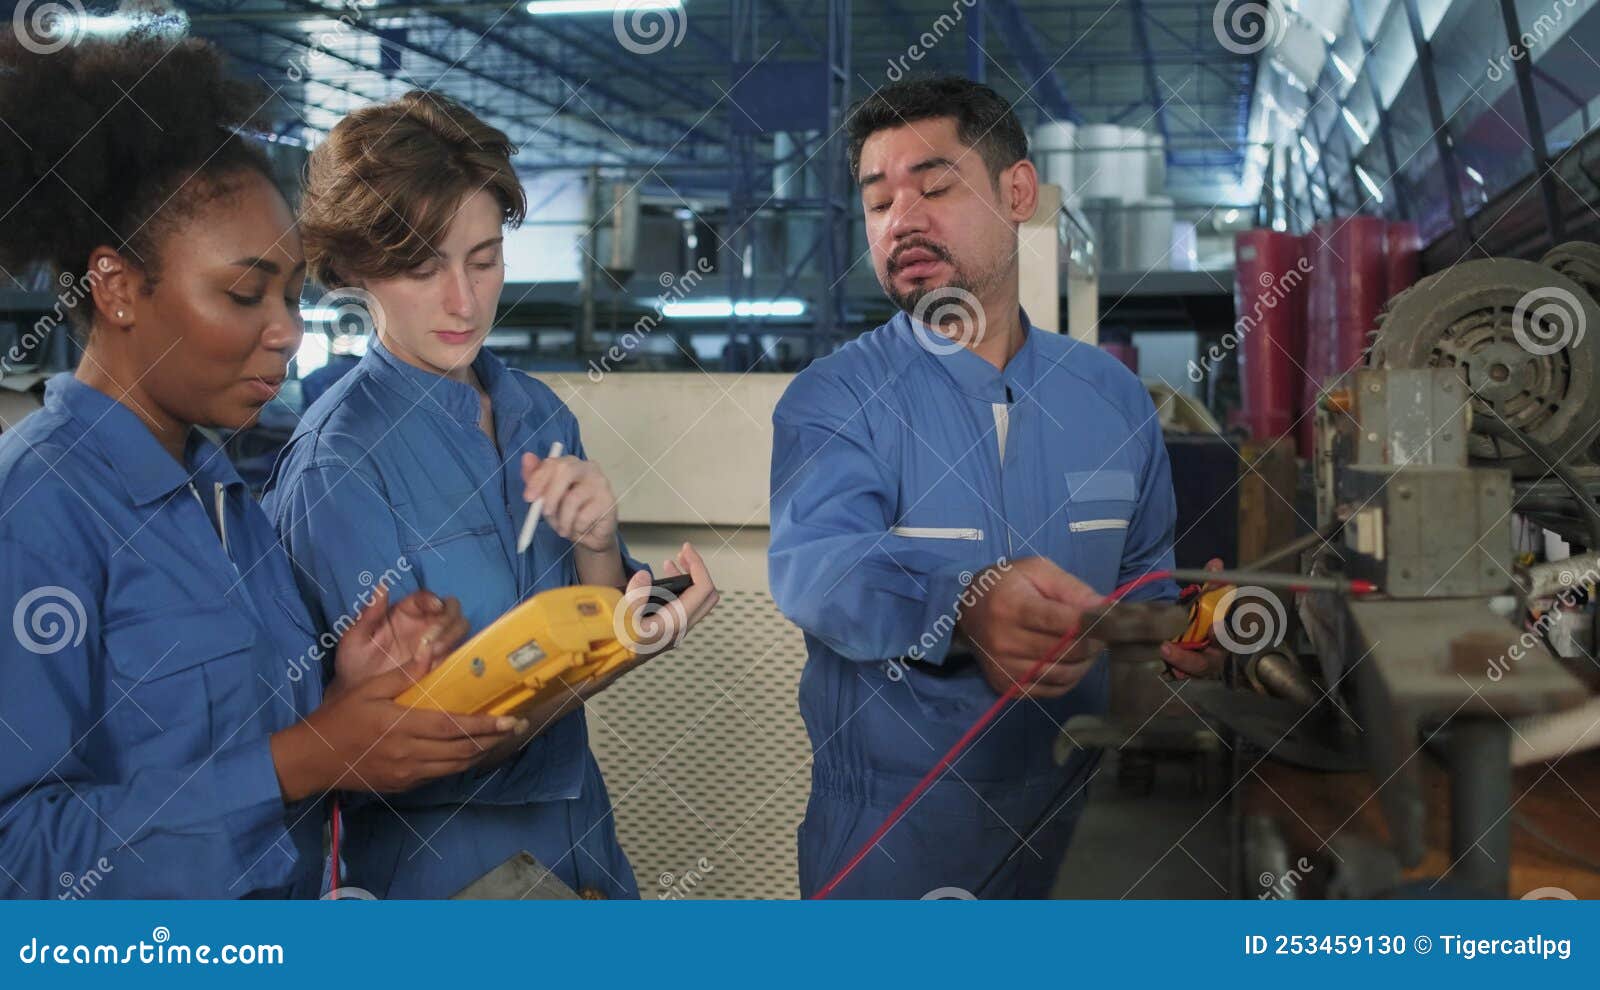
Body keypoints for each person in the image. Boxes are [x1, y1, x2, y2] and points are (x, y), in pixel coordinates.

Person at [0, 32, 514, 899]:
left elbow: (226, 743)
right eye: (244, 294)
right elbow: (19, 858)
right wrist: (304, 758)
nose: (287, 331)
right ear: (117, 289)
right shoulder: (37, 515)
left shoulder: (223, 499)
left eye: (292, 294)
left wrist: (343, 693)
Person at [768, 76, 1221, 899]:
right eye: (878, 202)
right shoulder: (835, 398)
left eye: (935, 187)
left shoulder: (1113, 399)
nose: (902, 220)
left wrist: (1178, 629)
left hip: (1088, 821)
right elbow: (821, 566)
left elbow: (1143, 577)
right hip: (898, 841)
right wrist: (965, 603)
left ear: (1018, 193)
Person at [263, 91, 719, 899]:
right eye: (423, 268)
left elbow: (592, 611)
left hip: (578, 830)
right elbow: (413, 743)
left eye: (483, 259)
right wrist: (630, 649)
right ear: (358, 269)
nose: (465, 301)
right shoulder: (337, 467)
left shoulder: (537, 413)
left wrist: (598, 545)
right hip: (437, 863)